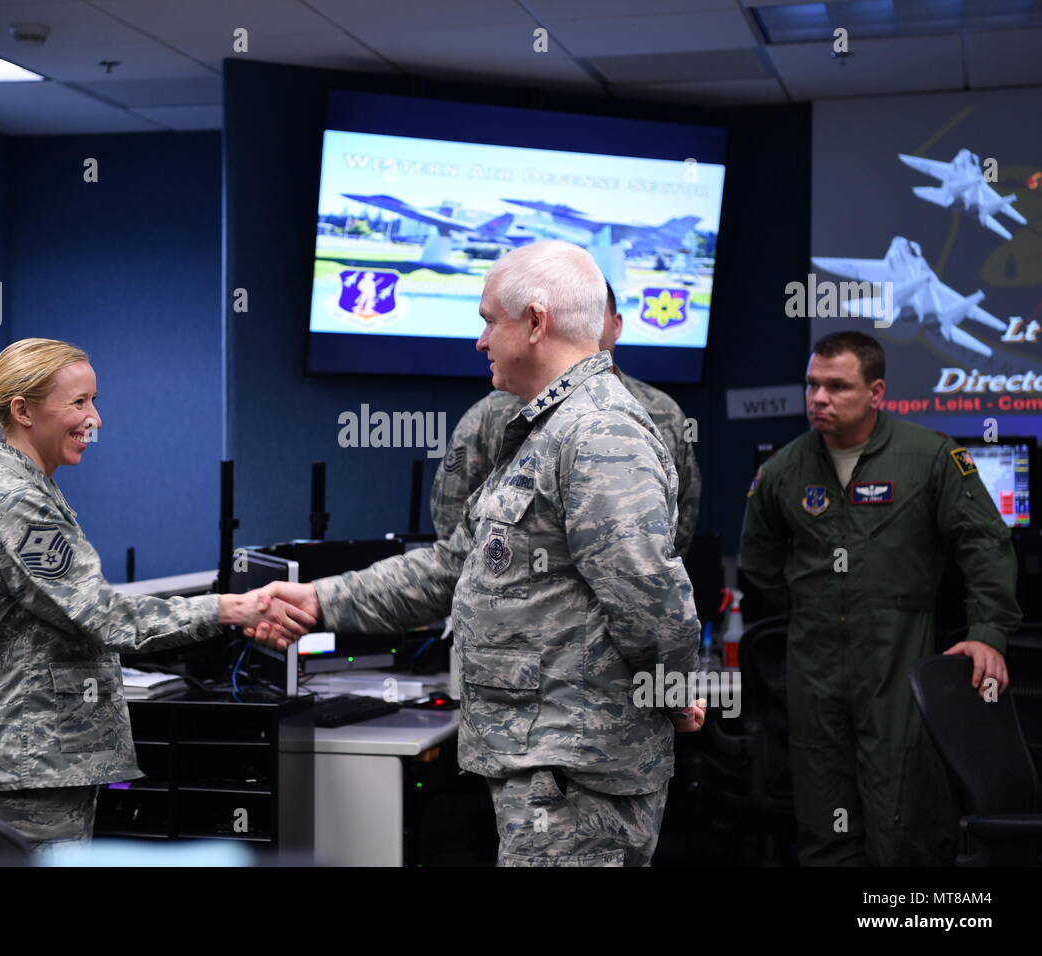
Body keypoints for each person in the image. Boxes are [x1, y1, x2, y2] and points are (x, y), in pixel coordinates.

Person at [251, 241, 704, 866]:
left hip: (578, 766)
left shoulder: (598, 433)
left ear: (536, 323)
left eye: (489, 319)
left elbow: (651, 596)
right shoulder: (546, 428)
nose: (480, 339)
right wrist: (320, 599)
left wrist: (673, 694)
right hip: (546, 761)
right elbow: (457, 563)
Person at [0, 339, 312, 847]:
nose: (95, 419)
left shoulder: (30, 490)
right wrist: (231, 608)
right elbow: (104, 615)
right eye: (78, 402)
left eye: (94, 400)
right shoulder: (17, 502)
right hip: (32, 769)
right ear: (23, 410)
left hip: (32, 760)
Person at [740, 331, 1020, 866]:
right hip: (816, 669)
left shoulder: (930, 457)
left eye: (837, 386)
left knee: (905, 818)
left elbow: (986, 545)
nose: (819, 398)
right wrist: (815, 609)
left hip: (901, 660)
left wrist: (987, 632)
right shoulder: (783, 472)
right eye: (812, 385)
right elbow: (760, 565)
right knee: (825, 823)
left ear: (876, 392)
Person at [431, 280, 700, 556]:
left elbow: (682, 515)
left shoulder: (662, 412)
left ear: (616, 325)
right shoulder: (491, 414)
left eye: (592, 315)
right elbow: (451, 517)